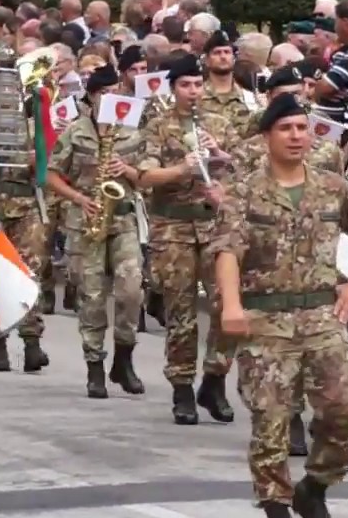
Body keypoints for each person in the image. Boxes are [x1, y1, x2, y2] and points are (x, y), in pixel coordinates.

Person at [213, 92, 348, 518]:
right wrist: (232, 307)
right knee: (270, 417)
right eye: (286, 128)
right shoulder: (244, 192)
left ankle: (317, 483)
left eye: (302, 128)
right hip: (264, 318)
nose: (296, 136)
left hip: (322, 315)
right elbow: (227, 251)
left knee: (347, 400)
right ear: (267, 136)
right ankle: (275, 503)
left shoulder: (332, 186)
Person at [135, 52, 238, 425]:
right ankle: (181, 387)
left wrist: (221, 158)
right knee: (181, 314)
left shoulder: (220, 123)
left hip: (214, 227)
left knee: (229, 307)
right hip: (173, 230)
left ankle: (214, 378)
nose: (193, 91)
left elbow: (244, 174)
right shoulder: (159, 126)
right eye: (186, 85)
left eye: (197, 84)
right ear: (173, 88)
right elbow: (144, 177)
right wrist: (183, 168)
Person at [46, 64, 146, 398]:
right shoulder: (76, 131)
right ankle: (94, 365)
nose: (110, 97)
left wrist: (129, 170)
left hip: (123, 218)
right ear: (92, 96)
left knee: (131, 291)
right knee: (91, 297)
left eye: (115, 91)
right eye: (104, 92)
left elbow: (150, 175)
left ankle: (124, 356)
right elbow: (52, 174)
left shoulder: (133, 131)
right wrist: (78, 198)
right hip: (86, 220)